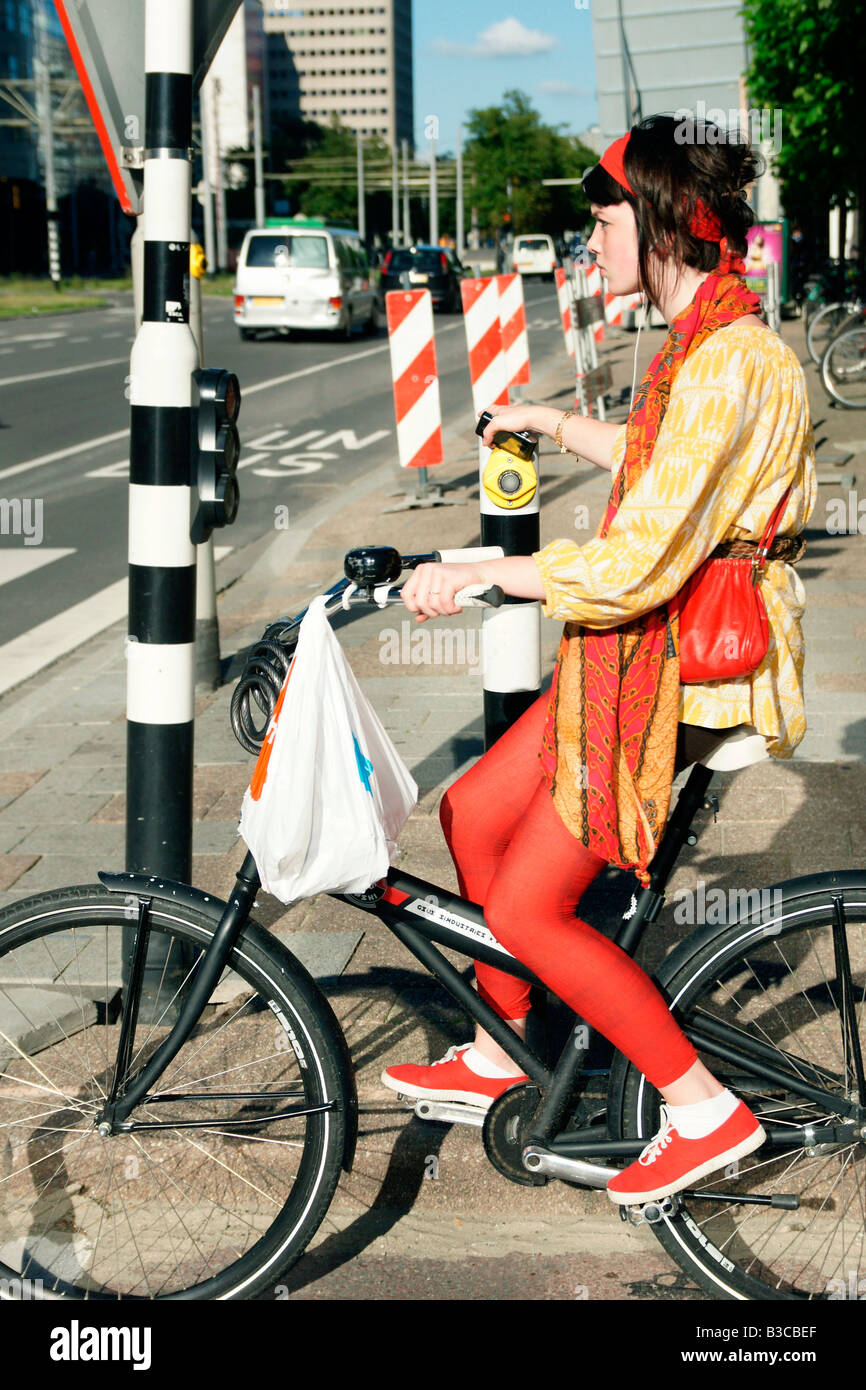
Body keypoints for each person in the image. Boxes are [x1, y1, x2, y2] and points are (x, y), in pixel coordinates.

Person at [381, 114, 817, 1206]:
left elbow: (631, 563)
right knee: (473, 810)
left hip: (680, 661)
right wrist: (548, 420)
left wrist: (480, 568)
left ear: (665, 219)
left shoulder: (724, 363)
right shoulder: (697, 346)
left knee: (529, 910)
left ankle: (701, 1109)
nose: (592, 235)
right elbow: (667, 467)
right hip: (634, 651)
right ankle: (499, 1050)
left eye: (605, 213)